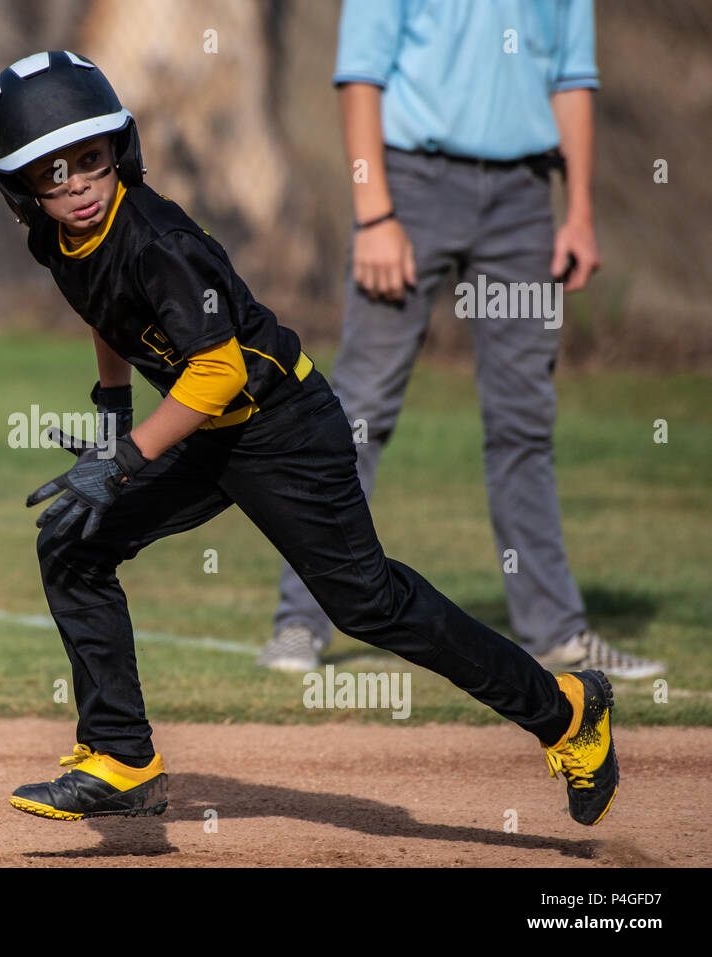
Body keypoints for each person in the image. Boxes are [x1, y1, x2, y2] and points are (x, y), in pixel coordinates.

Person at [0, 50, 617, 825]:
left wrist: (129, 454)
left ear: (121, 147)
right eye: (52, 173)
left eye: (91, 157)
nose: (78, 183)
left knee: (368, 603)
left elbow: (218, 372)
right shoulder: (60, 240)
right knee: (73, 543)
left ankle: (565, 709)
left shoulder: (157, 242)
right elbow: (103, 309)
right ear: (23, 191)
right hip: (199, 427)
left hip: (282, 426)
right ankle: (121, 753)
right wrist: (114, 409)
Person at [257, 0, 664, 680]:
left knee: (524, 421)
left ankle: (557, 632)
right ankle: (300, 620)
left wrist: (582, 212)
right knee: (357, 413)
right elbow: (360, 77)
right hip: (411, 183)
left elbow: (571, 81)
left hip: (525, 198)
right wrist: (376, 214)